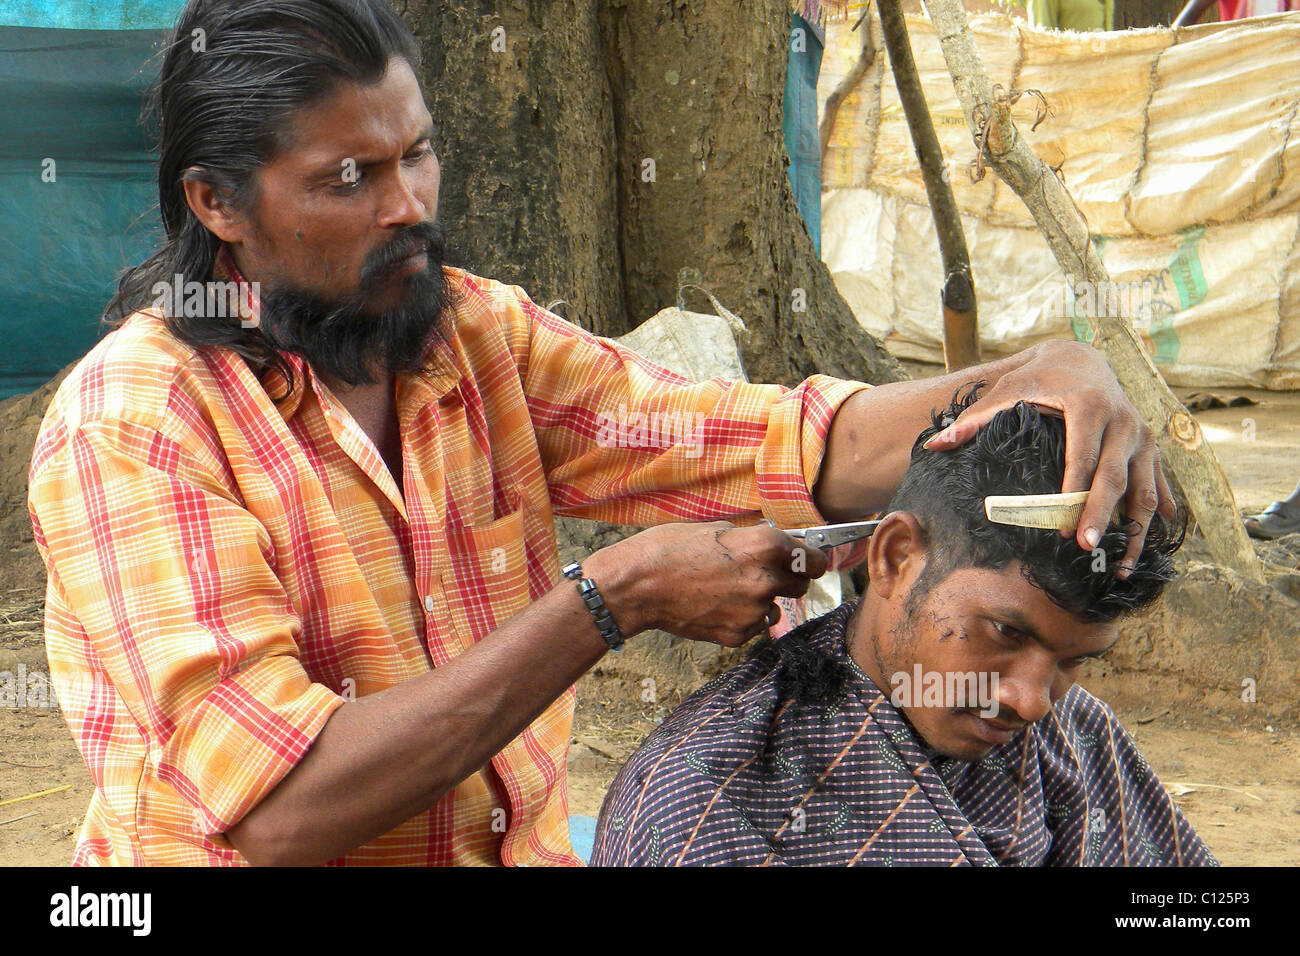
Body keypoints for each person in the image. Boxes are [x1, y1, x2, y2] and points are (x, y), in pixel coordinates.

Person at [28, 0, 1175, 866]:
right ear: (218, 204)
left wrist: (1032, 376)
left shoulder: (473, 341)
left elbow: (780, 440)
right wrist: (606, 599)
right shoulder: (137, 422)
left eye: (416, 152)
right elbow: (280, 809)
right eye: (349, 177)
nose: (410, 205)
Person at [590, 391, 1216, 867]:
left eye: (1074, 660)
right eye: (1003, 631)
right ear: (893, 557)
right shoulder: (703, 806)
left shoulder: (1072, 735)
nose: (1031, 700)